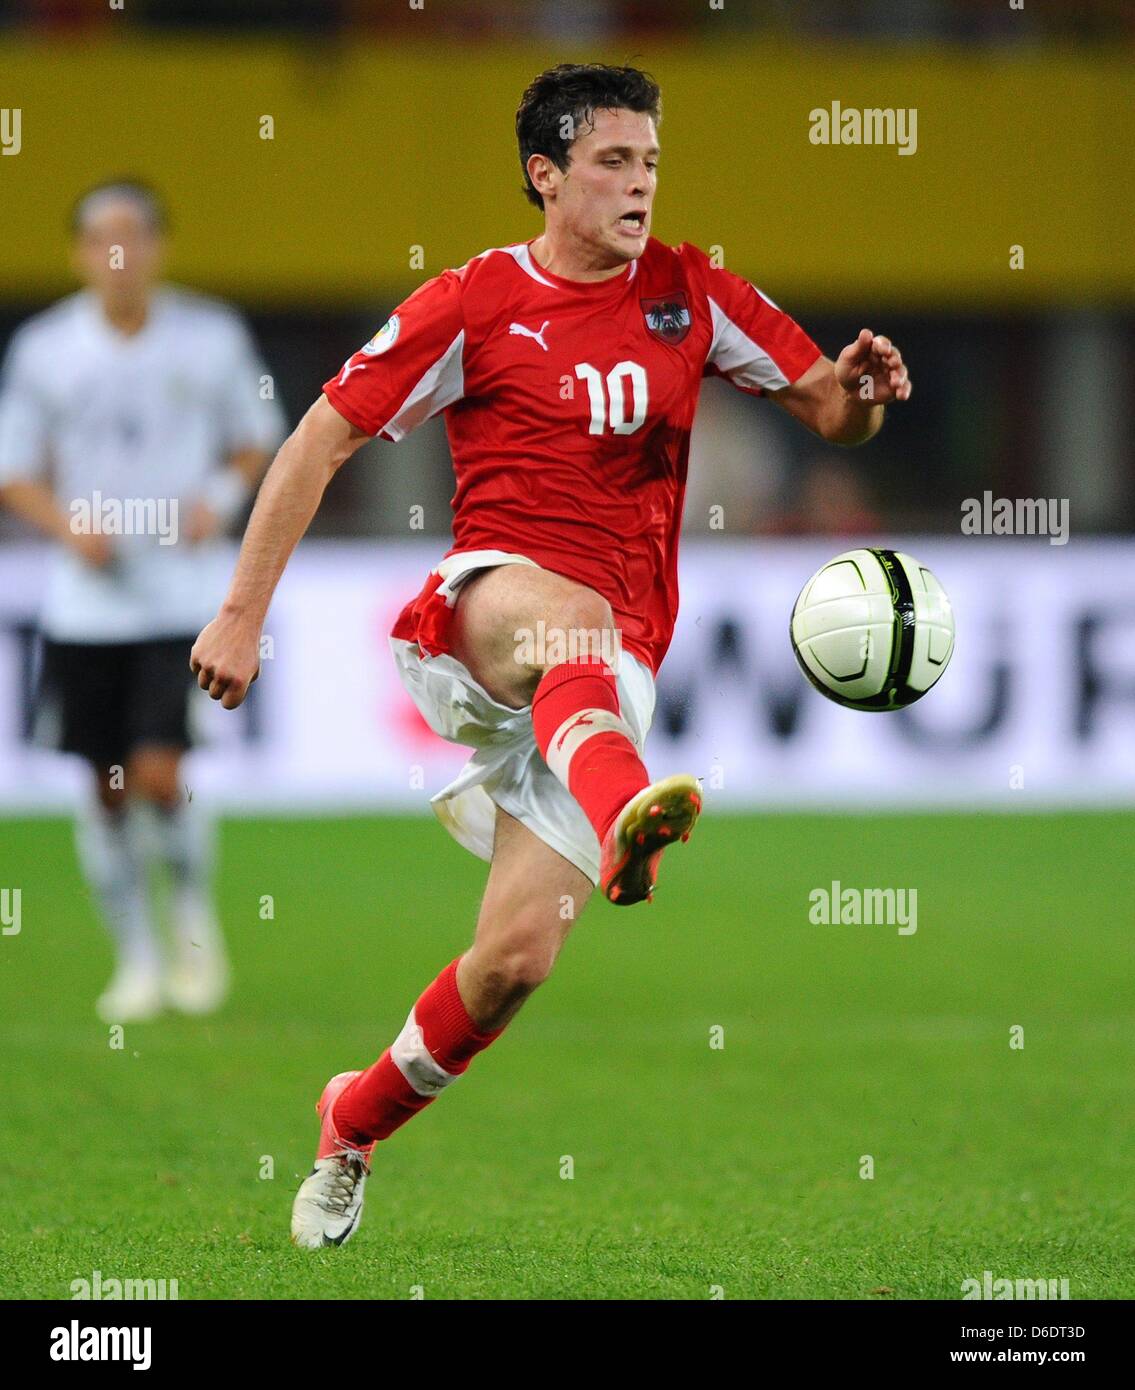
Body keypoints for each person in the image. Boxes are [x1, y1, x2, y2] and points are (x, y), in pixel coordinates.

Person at [189, 64, 911, 1248]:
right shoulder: (472, 303)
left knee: (511, 962)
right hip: (486, 616)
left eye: (651, 163)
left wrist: (865, 396)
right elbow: (319, 441)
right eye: (612, 163)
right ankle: (634, 813)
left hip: (604, 678)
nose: (639, 185)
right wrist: (237, 612)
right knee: (568, 608)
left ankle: (349, 1121)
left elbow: (829, 407)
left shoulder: (691, 293)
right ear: (546, 175)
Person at [0, 179, 285, 1022]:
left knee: (161, 774)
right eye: (100, 239)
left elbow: (258, 436)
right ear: (80, 252)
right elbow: (14, 468)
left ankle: (192, 919)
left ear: (158, 246)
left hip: (183, 600)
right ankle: (135, 956)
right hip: (88, 604)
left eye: (133, 236)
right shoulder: (47, 349)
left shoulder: (209, 337)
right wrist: (64, 527)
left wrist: (217, 503)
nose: (117, 255)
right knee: (106, 787)